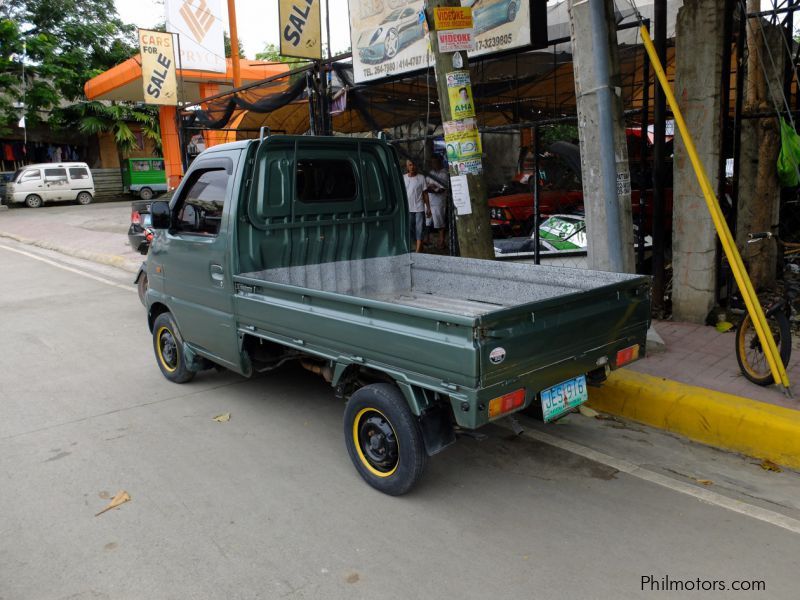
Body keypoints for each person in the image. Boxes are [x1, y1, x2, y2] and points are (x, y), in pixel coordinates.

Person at [404, 159, 430, 253]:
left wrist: (428, 208)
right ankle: (419, 246)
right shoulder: (403, 178)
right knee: (411, 229)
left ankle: (417, 251)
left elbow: (425, 194)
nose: (412, 167)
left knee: (419, 229)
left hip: (419, 207)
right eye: (410, 165)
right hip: (408, 208)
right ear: (407, 167)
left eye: (414, 165)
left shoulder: (421, 178)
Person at [425, 155, 449, 251]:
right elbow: (425, 187)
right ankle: (427, 239)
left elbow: (441, 190)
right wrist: (432, 188)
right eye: (432, 162)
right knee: (427, 221)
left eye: (435, 162)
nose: (433, 164)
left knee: (439, 223)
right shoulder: (430, 173)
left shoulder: (444, 174)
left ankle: (441, 240)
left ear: (440, 162)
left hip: (439, 202)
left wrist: (431, 188)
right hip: (429, 201)